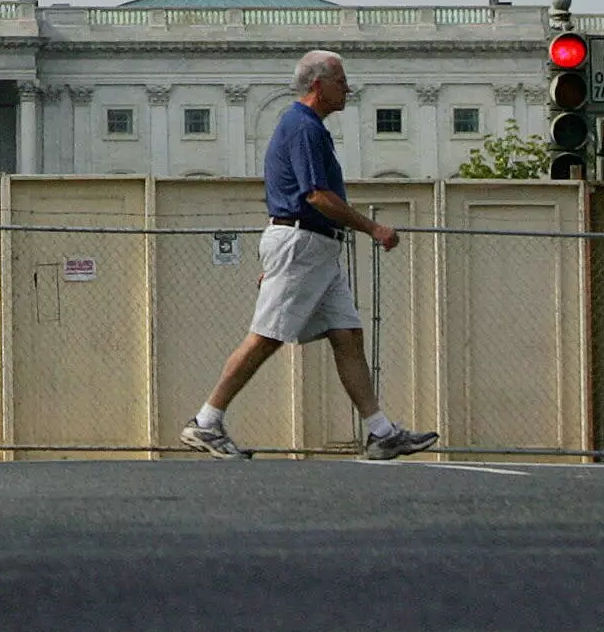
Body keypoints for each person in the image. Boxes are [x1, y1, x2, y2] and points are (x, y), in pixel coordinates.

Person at [182, 50, 439, 461]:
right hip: (302, 242)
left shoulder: (307, 126)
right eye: (341, 81)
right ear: (318, 85)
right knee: (265, 338)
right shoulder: (303, 127)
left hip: (314, 248)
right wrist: (373, 228)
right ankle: (206, 422)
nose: (347, 89)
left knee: (347, 336)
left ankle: (381, 432)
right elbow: (315, 195)